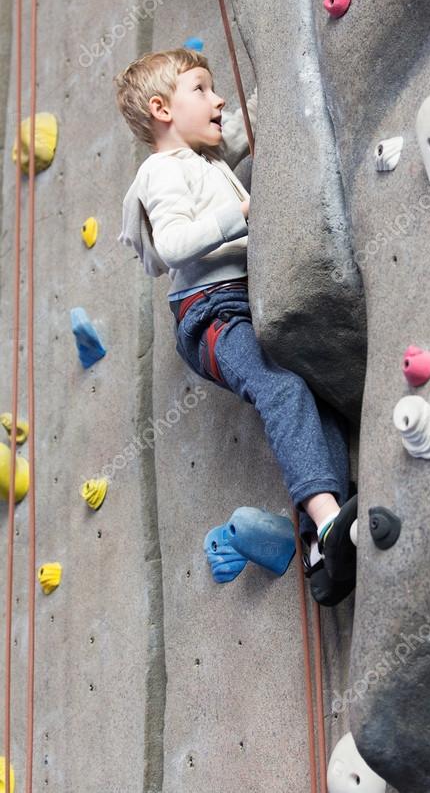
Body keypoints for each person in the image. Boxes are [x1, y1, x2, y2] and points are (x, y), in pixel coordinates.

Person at [114, 47, 357, 604]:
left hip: (240, 299)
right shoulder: (162, 170)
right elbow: (174, 244)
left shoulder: (207, 161)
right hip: (211, 314)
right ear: (161, 109)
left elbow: (250, 126)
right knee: (282, 389)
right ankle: (326, 522)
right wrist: (237, 217)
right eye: (200, 88)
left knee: (314, 400)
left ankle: (326, 540)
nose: (216, 98)